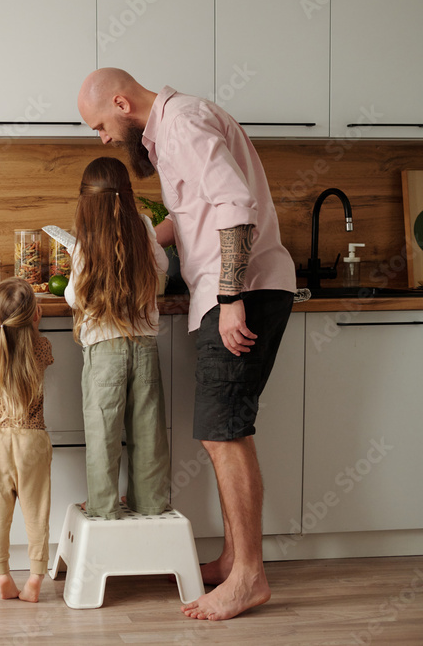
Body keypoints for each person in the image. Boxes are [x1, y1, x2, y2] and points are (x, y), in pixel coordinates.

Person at [77, 68, 296, 621]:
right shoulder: (171, 131)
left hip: (238, 294)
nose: (103, 138)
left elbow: (233, 205)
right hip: (221, 295)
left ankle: (249, 576)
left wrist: (230, 297)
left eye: (101, 125)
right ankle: (233, 559)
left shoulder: (184, 124)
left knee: (225, 434)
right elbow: (192, 212)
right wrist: (142, 239)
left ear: (121, 103)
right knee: (220, 432)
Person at [64, 157, 170, 521]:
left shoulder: (85, 240)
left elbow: (75, 298)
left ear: (85, 201)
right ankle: (152, 504)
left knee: (103, 433)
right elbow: (162, 270)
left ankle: (104, 508)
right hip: (144, 346)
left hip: (103, 350)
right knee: (148, 431)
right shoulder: (143, 226)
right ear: (128, 195)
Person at [0, 277, 54, 603]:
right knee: (37, 513)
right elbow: (36, 346)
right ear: (35, 315)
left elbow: (1, 335)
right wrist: (35, 324)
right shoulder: (42, 347)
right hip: (32, 440)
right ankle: (35, 579)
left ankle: (3, 574)